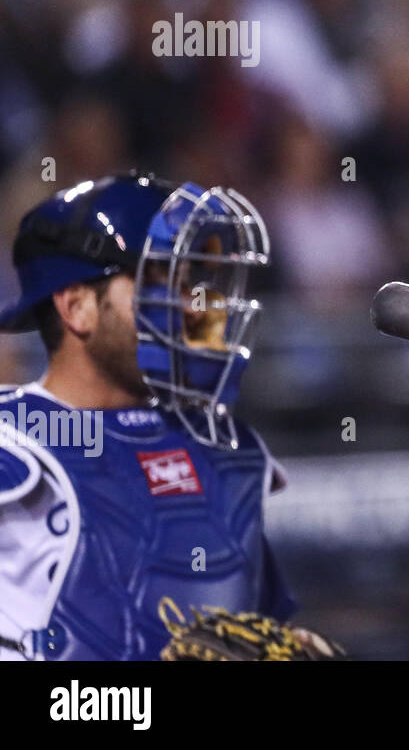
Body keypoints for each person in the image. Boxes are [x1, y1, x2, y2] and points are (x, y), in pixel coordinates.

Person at [0, 174, 295, 660]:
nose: (187, 303)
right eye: (156, 278)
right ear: (77, 308)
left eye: (188, 280)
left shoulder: (225, 448)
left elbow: (262, 637)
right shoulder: (13, 442)